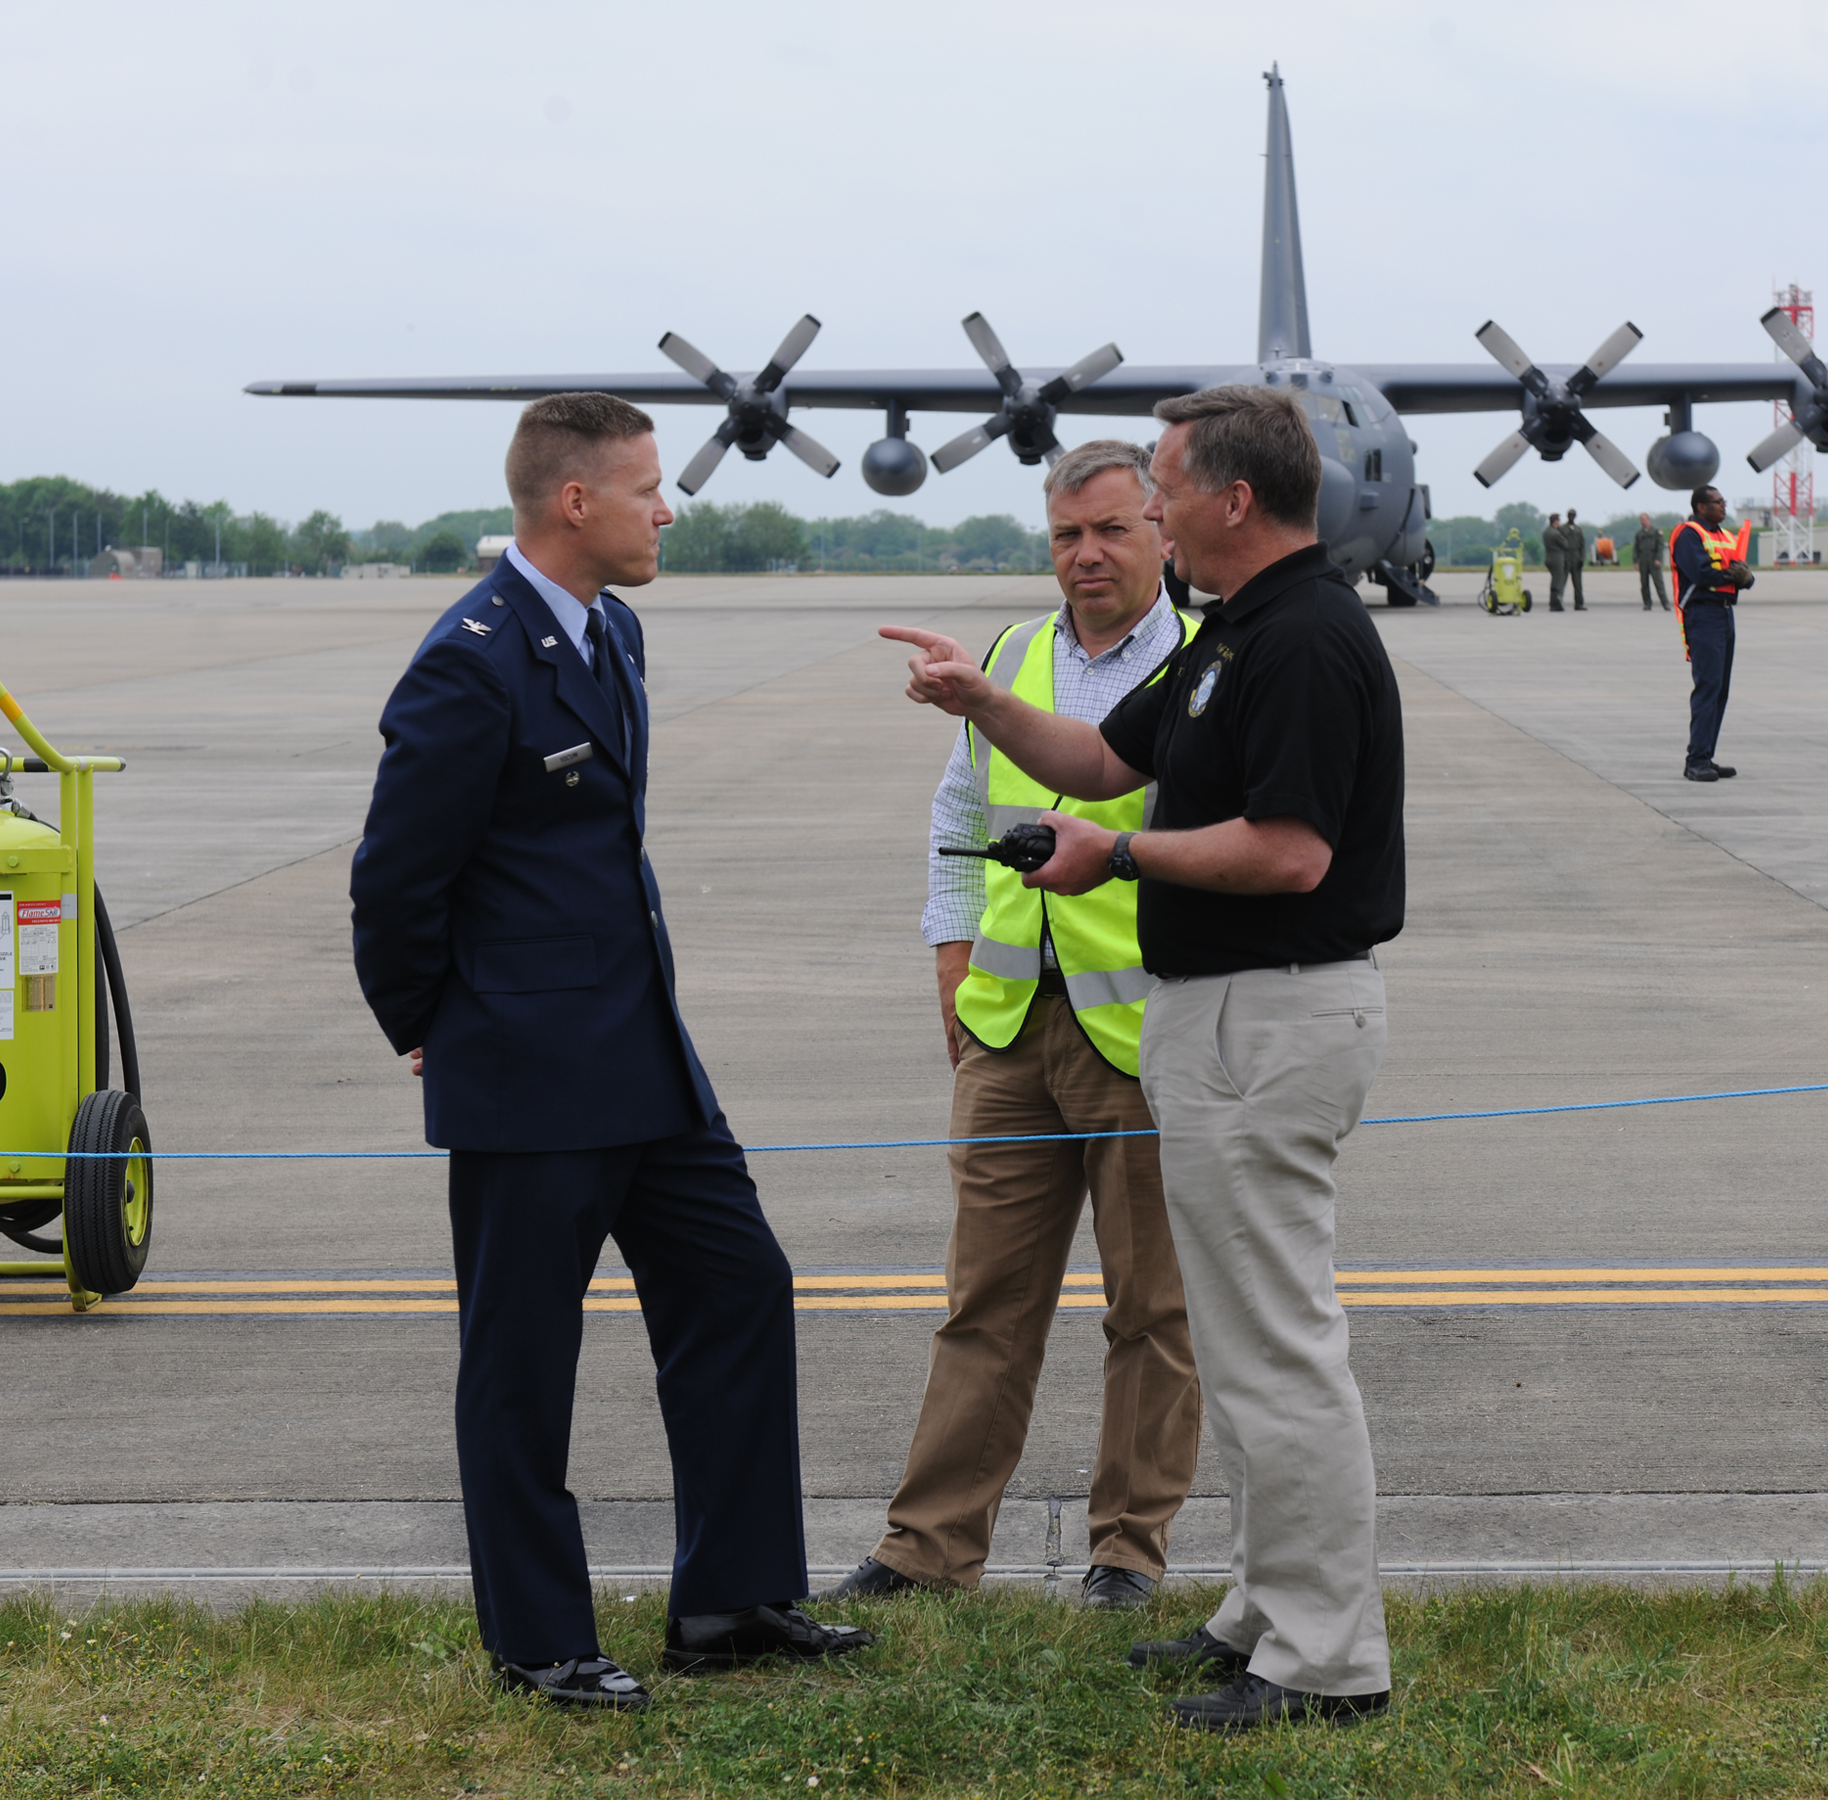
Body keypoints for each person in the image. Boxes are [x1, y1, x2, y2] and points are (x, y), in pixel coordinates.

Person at [882, 383, 1405, 1734]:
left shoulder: (1298, 642)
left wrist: (1109, 858)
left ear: (1230, 501)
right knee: (1237, 1350)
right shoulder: (1233, 636)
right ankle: (1260, 1613)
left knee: (1273, 1350)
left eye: (1162, 488)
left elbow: (1287, 851)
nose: (1148, 512)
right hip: (1218, 1017)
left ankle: (1325, 1658)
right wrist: (977, 698)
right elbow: (1097, 761)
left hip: (1265, 1015)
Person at [351, 392, 871, 1714]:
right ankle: (539, 1641)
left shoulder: (612, 630)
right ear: (573, 503)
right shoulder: (468, 662)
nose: (668, 509)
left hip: (642, 1053)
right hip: (527, 1072)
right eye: (648, 489)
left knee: (740, 1285)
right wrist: (431, 1025)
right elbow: (393, 885)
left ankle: (731, 1599)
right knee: (520, 1368)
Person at [827, 440, 1202, 1613]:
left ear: (1163, 534)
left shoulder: (1202, 668)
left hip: (1142, 1043)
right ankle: (926, 1549)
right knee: (983, 1303)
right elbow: (956, 813)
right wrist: (949, 962)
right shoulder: (1012, 653)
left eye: (1110, 531)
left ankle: (1127, 1554)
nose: (1084, 557)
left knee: (1152, 1312)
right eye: (1064, 537)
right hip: (1004, 1030)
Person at [1670, 485, 1751, 782]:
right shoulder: (1689, 533)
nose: (1723, 506)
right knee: (1707, 687)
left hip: (1725, 613)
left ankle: (1707, 754)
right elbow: (1701, 573)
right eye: (1717, 502)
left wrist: (1747, 577)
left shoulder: (1726, 536)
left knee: (1720, 689)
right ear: (1701, 507)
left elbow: (1742, 570)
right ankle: (1696, 761)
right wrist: (1733, 577)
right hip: (1703, 616)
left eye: (1723, 502)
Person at [1633, 512, 1665, 610]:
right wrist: (1635, 561)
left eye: (1645, 519)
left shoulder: (1656, 532)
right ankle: (1647, 603)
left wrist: (1658, 559)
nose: (1643, 521)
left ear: (1648, 520)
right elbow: (1636, 548)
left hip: (1653, 560)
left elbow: (1660, 547)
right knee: (1644, 584)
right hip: (1643, 560)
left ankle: (1665, 603)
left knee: (1659, 583)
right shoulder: (1639, 534)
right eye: (1641, 520)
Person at [1543, 511, 1571, 612]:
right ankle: (1555, 603)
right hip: (1557, 558)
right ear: (1555, 521)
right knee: (1558, 581)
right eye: (1558, 520)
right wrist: (1563, 537)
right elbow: (1565, 545)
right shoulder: (1556, 533)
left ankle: (1553, 602)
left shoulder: (1546, 532)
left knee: (1554, 580)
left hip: (1548, 557)